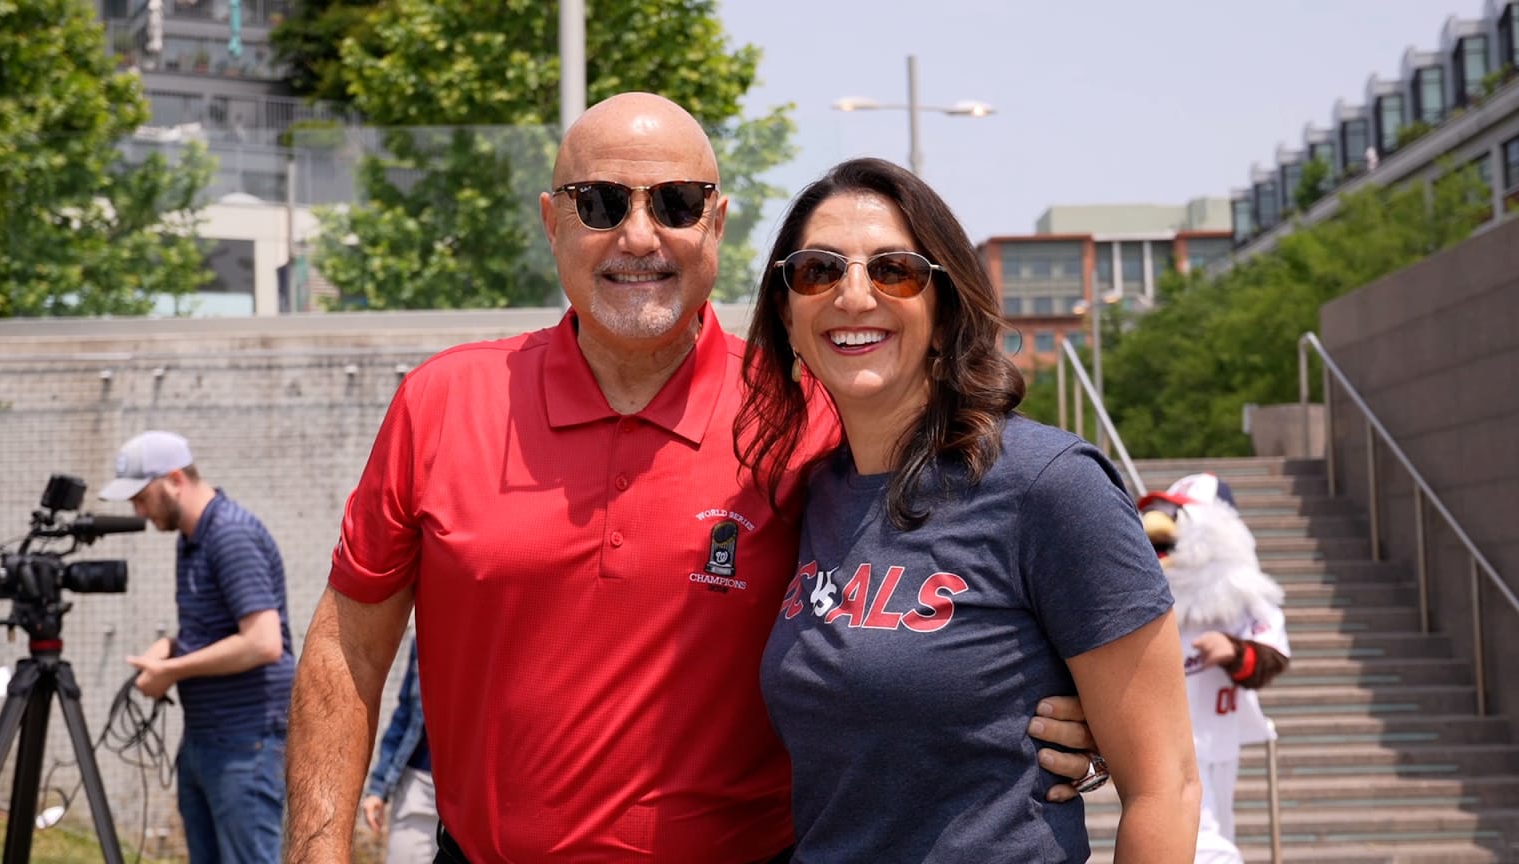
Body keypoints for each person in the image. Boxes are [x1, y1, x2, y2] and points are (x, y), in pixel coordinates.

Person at [284, 92, 1100, 864]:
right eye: (600, 202)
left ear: (716, 222)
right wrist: (316, 848)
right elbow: (347, 647)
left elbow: (978, 559)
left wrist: (1080, 704)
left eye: (674, 203)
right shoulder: (442, 401)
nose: (639, 236)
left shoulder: (817, 413)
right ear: (551, 221)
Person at [734, 156, 1202, 862]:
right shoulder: (808, 494)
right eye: (817, 271)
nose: (854, 295)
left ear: (945, 305)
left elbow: (1166, 785)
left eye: (894, 269)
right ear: (786, 315)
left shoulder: (1049, 486)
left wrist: (1103, 742)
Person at [99, 430, 293, 864]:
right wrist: (166, 649)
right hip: (206, 739)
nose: (138, 511)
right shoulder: (191, 538)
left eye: (141, 497)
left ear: (173, 479)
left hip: (246, 743)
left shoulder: (230, 534)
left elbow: (264, 642)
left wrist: (172, 670)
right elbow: (211, 631)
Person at [1139, 472, 1291, 864]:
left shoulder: (1244, 599)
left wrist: (1235, 651)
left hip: (1218, 737)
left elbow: (1271, 656)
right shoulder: (1153, 595)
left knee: (1217, 831)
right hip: (1165, 741)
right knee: (1203, 843)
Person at [362, 637, 437, 863]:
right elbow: (405, 715)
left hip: (479, 795)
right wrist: (378, 787)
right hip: (419, 785)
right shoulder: (427, 640)